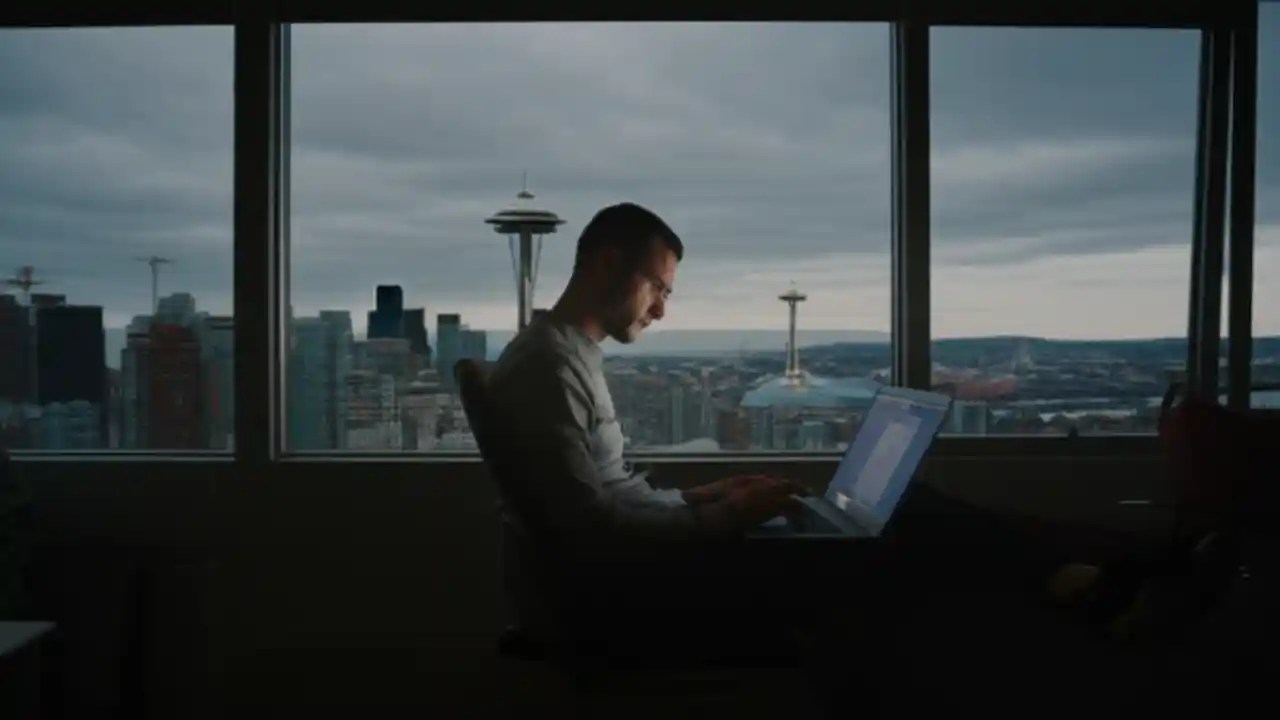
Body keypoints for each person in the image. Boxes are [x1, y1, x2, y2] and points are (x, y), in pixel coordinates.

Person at [487, 202, 809, 657]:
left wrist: (700, 497)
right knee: (831, 591)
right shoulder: (548, 367)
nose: (660, 310)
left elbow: (605, 495)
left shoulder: (568, 355)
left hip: (607, 591)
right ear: (609, 264)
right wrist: (723, 517)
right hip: (600, 609)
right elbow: (590, 530)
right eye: (657, 287)